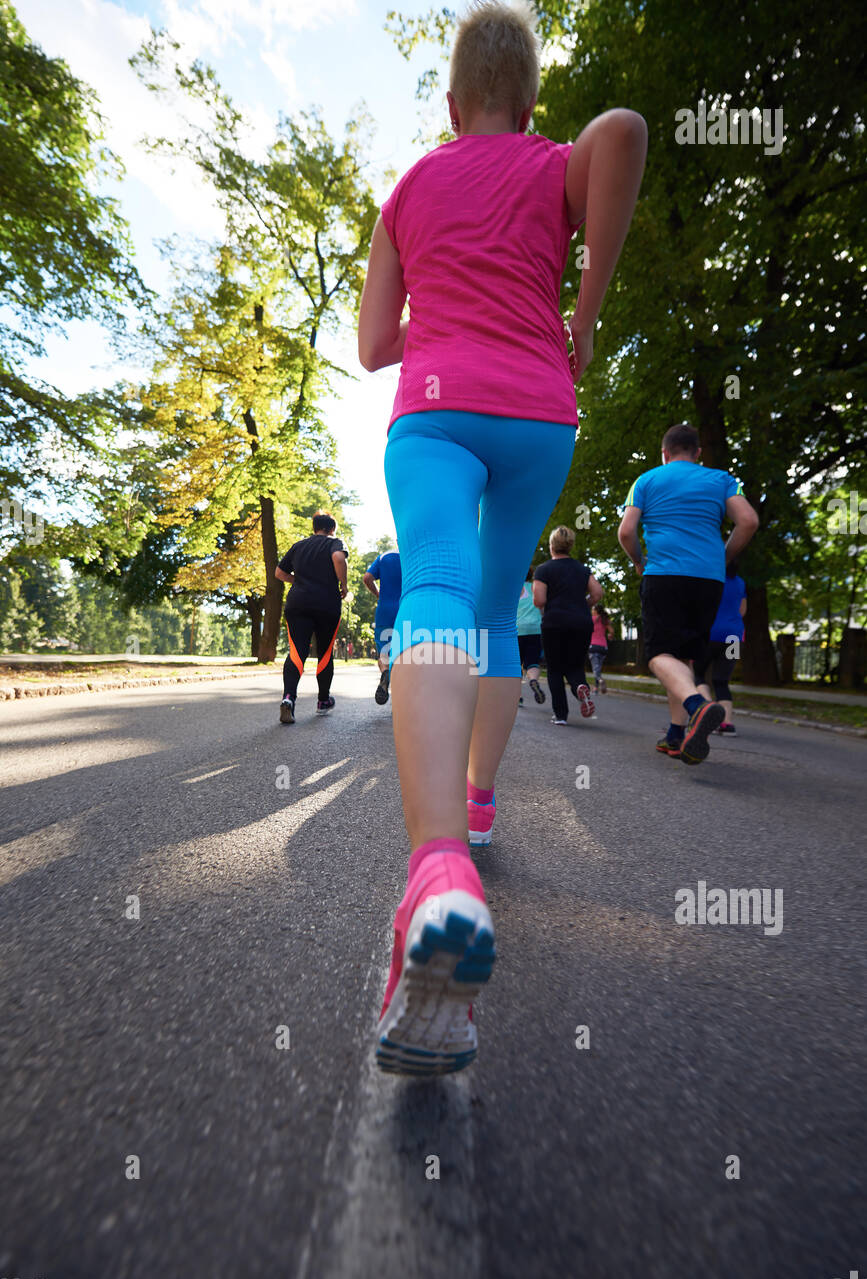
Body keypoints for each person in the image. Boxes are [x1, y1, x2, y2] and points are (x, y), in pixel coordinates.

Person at [358, 0, 646, 1074]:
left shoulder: (411, 185)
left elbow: (373, 344)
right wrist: (583, 309)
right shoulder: (556, 164)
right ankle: (477, 804)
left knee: (433, 586)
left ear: (450, 100)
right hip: (539, 413)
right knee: (489, 609)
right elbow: (623, 131)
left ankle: (439, 870)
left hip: (436, 406)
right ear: (530, 101)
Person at [617, 423, 758, 763]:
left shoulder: (647, 480)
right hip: (709, 580)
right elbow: (749, 521)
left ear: (664, 454)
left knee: (658, 655)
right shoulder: (722, 479)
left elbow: (626, 532)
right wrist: (722, 557)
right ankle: (676, 735)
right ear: (698, 453)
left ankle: (697, 707)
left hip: (665, 574)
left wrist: (638, 560)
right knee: (681, 659)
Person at [274, 512, 348, 723]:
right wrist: (343, 585)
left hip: (298, 603)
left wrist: (298, 581)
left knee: (297, 652)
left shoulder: (299, 545)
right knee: (324, 653)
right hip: (327, 604)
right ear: (332, 528)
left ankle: (288, 698)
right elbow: (338, 558)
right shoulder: (335, 542)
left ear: (315, 527)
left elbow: (279, 573)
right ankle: (323, 700)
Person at [533, 526, 603, 725]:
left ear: (552, 546)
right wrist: (582, 605)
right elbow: (597, 593)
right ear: (570, 545)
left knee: (555, 669)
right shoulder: (582, 570)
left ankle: (561, 715)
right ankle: (581, 687)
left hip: (554, 623)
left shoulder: (544, 570)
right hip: (581, 623)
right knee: (574, 665)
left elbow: (538, 600)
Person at [697, 564, 747, 735]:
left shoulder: (709, 577)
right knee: (722, 680)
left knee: (697, 674)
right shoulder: (740, 582)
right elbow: (742, 610)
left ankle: (708, 710)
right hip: (734, 637)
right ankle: (726, 723)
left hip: (710, 633)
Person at [362, 548, 403, 704]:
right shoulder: (412, 554)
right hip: (407, 608)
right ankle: (402, 697)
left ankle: (385, 672)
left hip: (385, 609)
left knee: (384, 652)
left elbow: (367, 578)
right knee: (406, 652)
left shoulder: (384, 556)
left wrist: (379, 594)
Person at [516, 567, 545, 705]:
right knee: (532, 662)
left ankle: (518, 697)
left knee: (516, 664)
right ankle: (533, 680)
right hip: (535, 629)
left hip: (516, 630)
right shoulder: (534, 587)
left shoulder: (514, 589)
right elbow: (542, 607)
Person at [589, 603, 613, 694]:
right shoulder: (604, 620)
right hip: (603, 647)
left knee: (596, 670)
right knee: (598, 668)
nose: (592, 611)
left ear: (596, 611)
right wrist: (610, 635)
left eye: (593, 609)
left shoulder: (592, 619)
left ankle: (600, 680)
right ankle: (596, 689)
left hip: (593, 646)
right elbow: (611, 631)